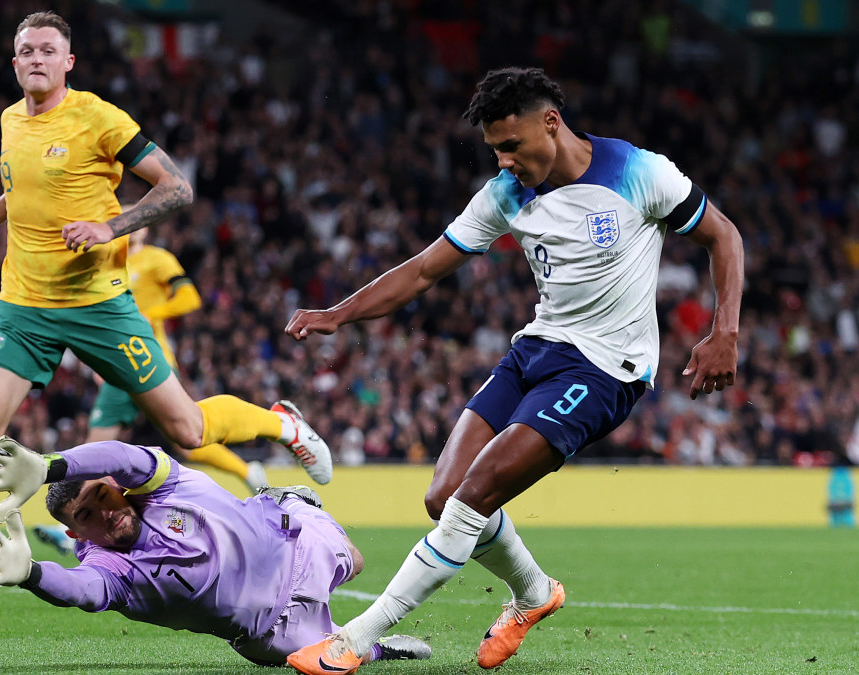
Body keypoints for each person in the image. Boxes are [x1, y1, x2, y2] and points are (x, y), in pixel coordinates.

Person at [0, 10, 331, 620]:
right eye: (26, 50)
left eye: (47, 50)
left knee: (187, 431)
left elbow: (176, 187)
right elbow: (26, 187)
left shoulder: (98, 117)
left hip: (99, 306)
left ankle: (280, 426)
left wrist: (109, 224)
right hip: (25, 305)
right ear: (14, 64)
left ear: (68, 62)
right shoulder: (11, 120)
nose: (36, 58)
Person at [284, 66, 744, 673]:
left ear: (550, 123)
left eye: (511, 145)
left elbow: (724, 236)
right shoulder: (504, 193)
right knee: (444, 496)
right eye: (494, 149)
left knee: (473, 497)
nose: (503, 161)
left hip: (607, 368)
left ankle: (354, 639)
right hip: (535, 349)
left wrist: (724, 331)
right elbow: (424, 270)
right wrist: (340, 314)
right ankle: (534, 593)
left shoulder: (640, 172)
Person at [0, 435, 431, 667]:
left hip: (293, 547)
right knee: (330, 659)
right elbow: (82, 591)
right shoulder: (108, 567)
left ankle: (284, 500)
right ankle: (384, 650)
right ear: (75, 535)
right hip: (269, 633)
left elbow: (120, 455)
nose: (105, 512)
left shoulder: (160, 480)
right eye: (87, 515)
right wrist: (32, 574)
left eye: (103, 495)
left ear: (115, 484)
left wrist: (51, 466)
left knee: (356, 561)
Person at [34, 227, 269, 556]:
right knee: (101, 446)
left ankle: (250, 468)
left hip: (148, 361)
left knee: (184, 437)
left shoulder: (157, 259)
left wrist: (151, 315)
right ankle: (70, 526)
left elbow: (190, 298)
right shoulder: (102, 263)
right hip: (116, 366)